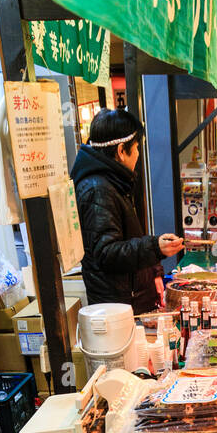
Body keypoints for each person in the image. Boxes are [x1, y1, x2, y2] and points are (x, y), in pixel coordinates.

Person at [71, 107, 183, 313]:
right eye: (137, 147)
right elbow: (106, 253)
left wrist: (154, 271)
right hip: (117, 309)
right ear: (122, 151)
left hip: (129, 299)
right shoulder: (98, 188)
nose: (139, 154)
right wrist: (155, 247)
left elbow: (130, 235)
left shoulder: (114, 180)